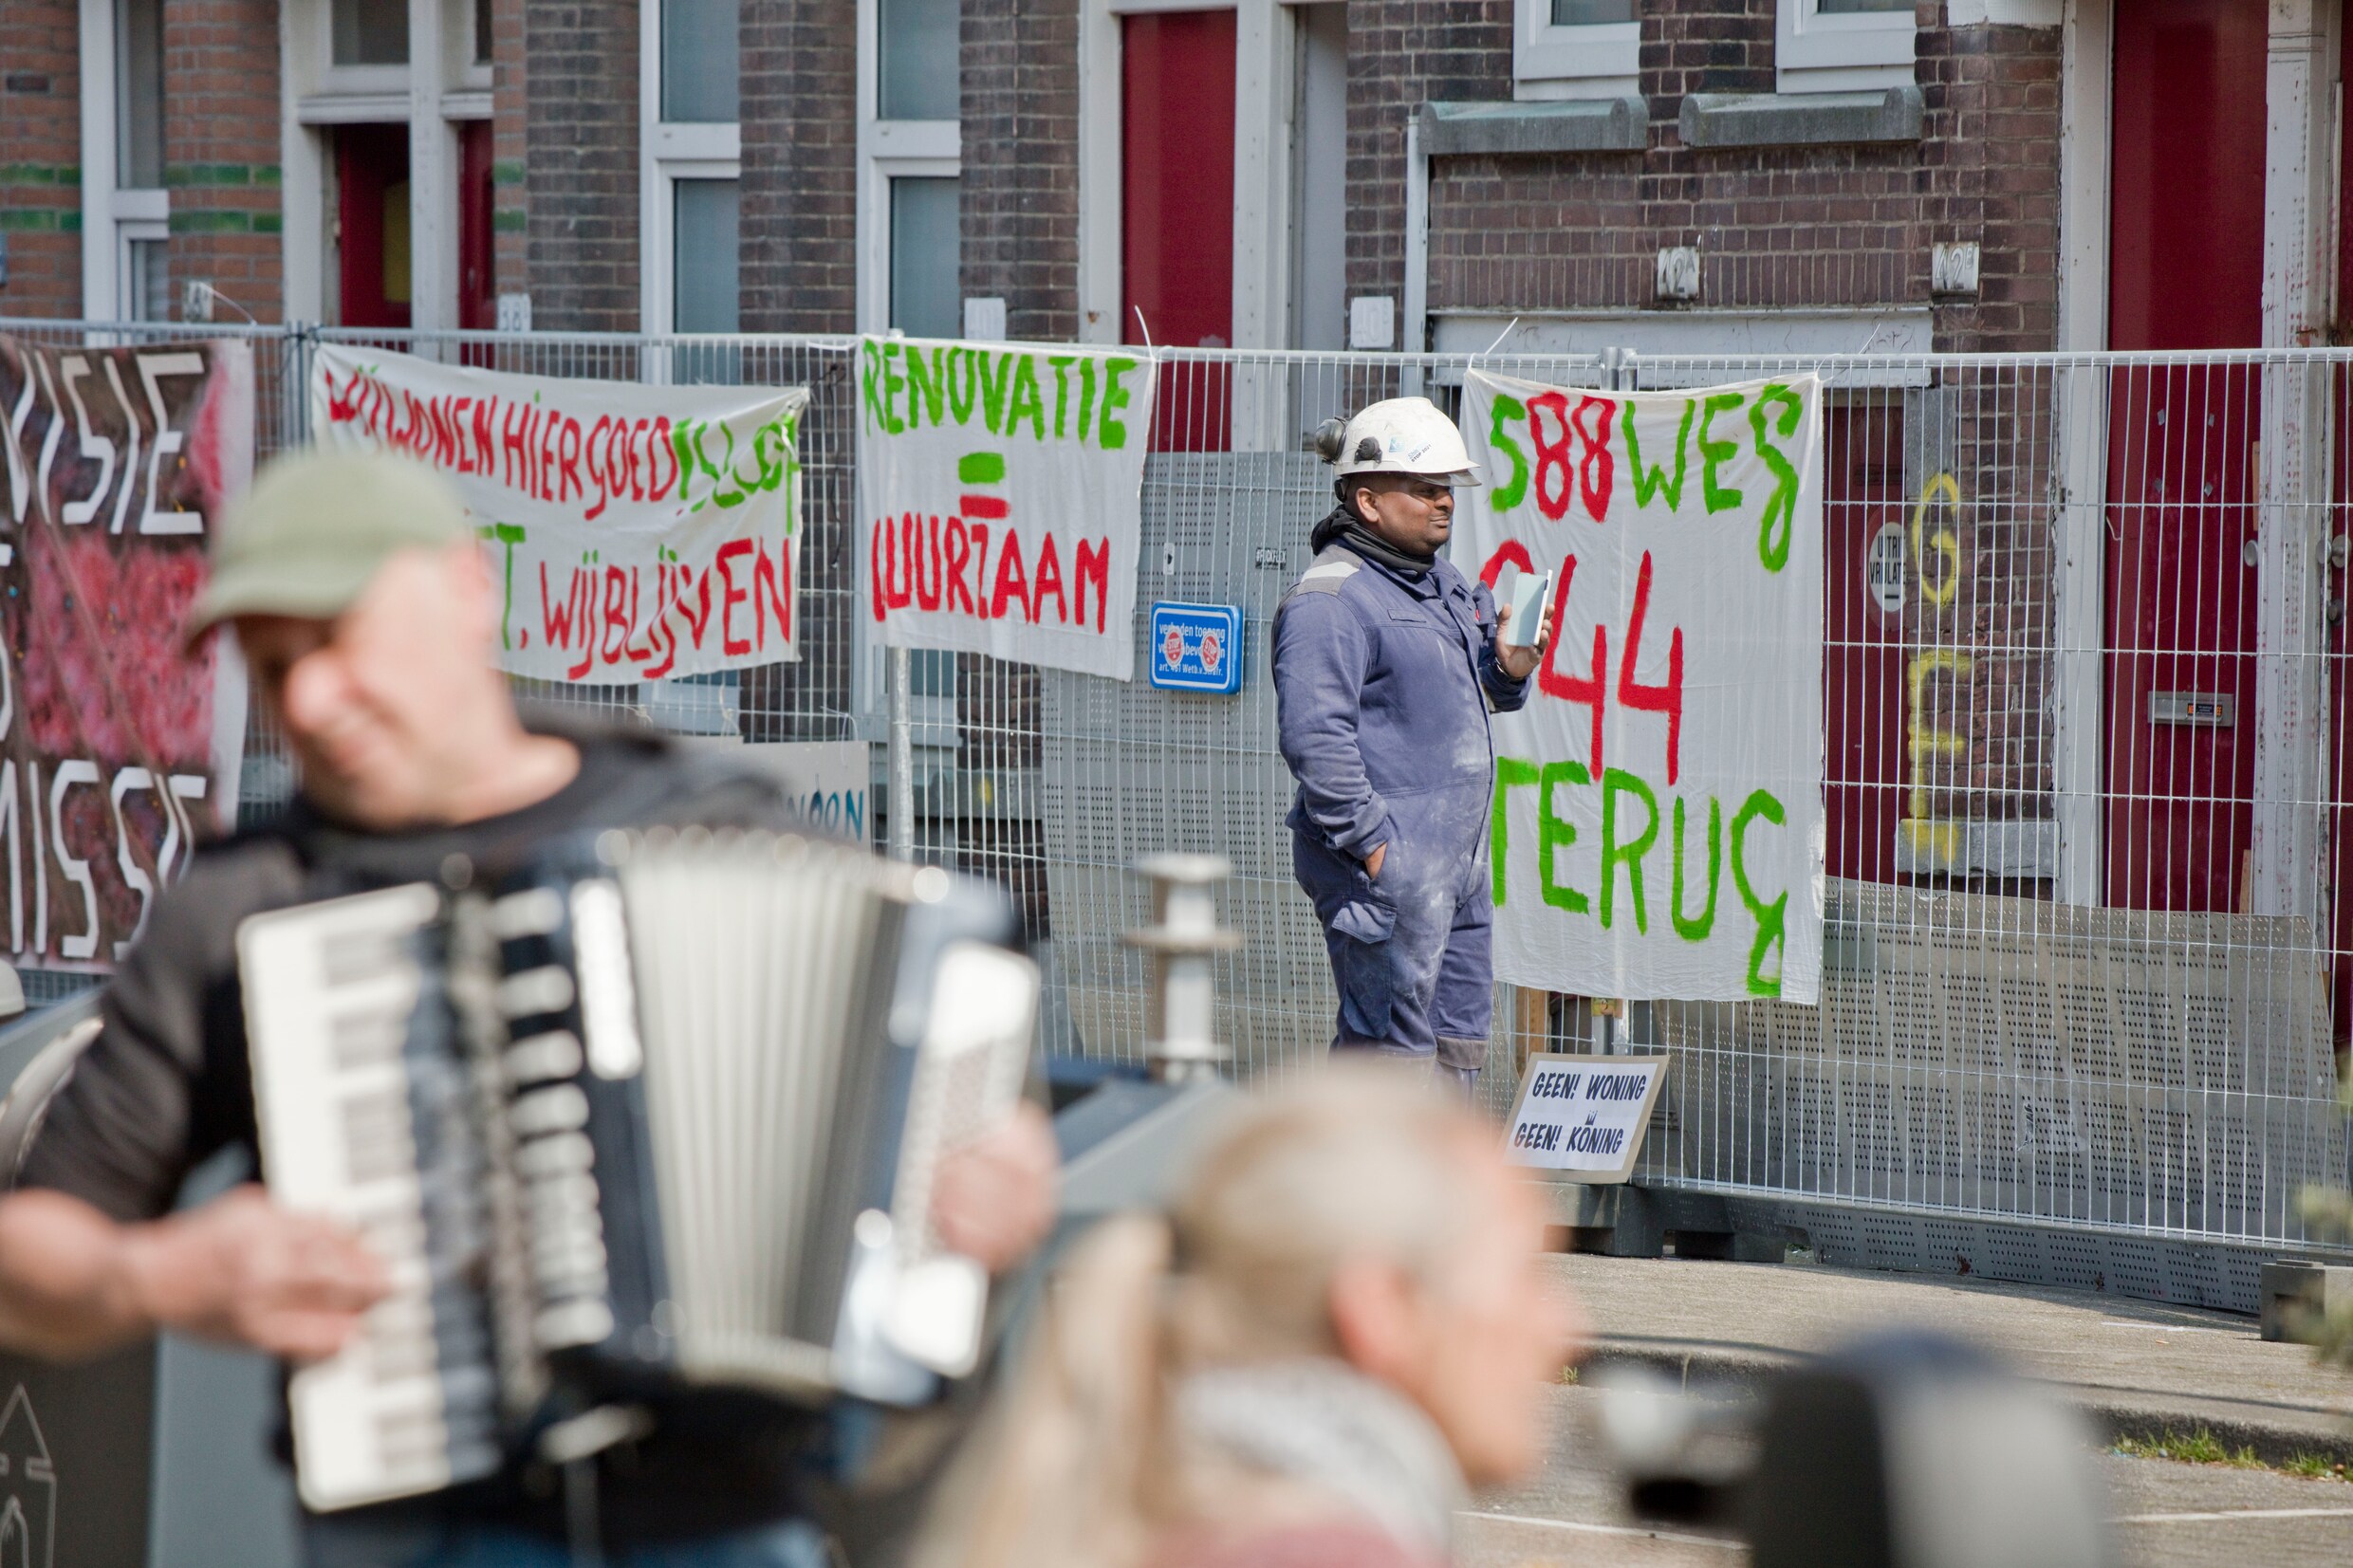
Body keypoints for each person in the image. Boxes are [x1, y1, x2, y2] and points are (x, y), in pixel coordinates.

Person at [0, 450, 1059, 1567]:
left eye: (337, 639)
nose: (307, 699)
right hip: (429, 1529)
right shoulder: (245, 906)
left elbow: (957, 1113)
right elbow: (29, 1256)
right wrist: (157, 1277)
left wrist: (997, 1183)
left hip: (733, 1521)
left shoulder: (719, 825)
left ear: (467, 591)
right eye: (272, 665)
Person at [911, 1067, 1586, 1568]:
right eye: (1525, 1273)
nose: (1564, 1325)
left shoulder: (1174, 1515)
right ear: (1381, 1309)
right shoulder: (1339, 1552)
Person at [1272, 398, 1552, 1089]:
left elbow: (1474, 691)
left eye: (1447, 487)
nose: (1443, 502)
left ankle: (1436, 1195)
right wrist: (1378, 850)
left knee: (1455, 1051)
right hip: (1389, 875)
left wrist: (1509, 671)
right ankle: (1360, 1197)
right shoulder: (1329, 602)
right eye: (1424, 487)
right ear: (1367, 500)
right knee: (1388, 1065)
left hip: (1454, 874)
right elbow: (1315, 741)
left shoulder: (1443, 586)